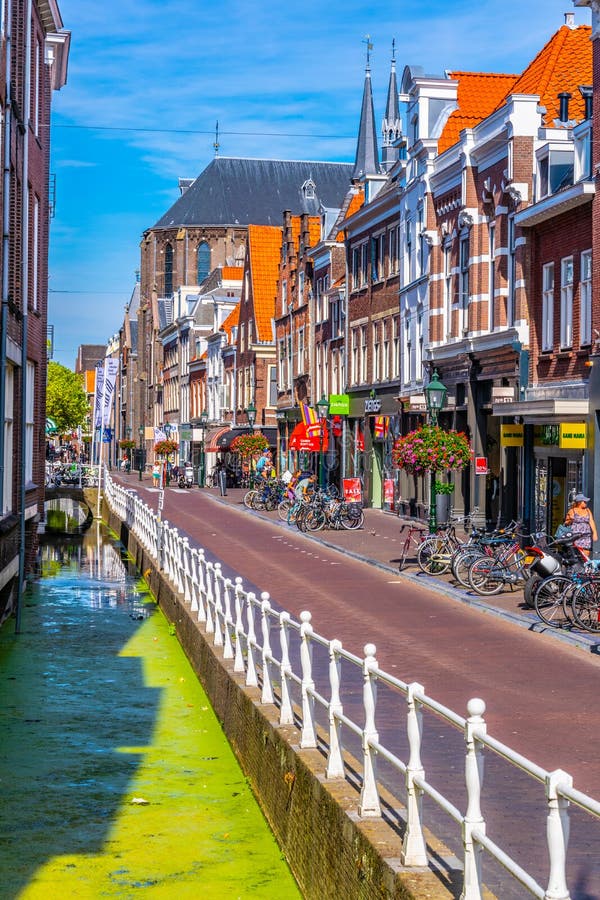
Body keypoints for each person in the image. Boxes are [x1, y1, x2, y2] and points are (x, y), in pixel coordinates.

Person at [564, 492, 597, 558]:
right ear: (579, 502)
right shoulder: (572, 511)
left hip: (586, 536)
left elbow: (591, 521)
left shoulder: (587, 510)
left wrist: (595, 533)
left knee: (586, 553)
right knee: (577, 553)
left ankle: (584, 566)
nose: (586, 503)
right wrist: (571, 520)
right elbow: (566, 523)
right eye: (584, 502)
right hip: (576, 536)